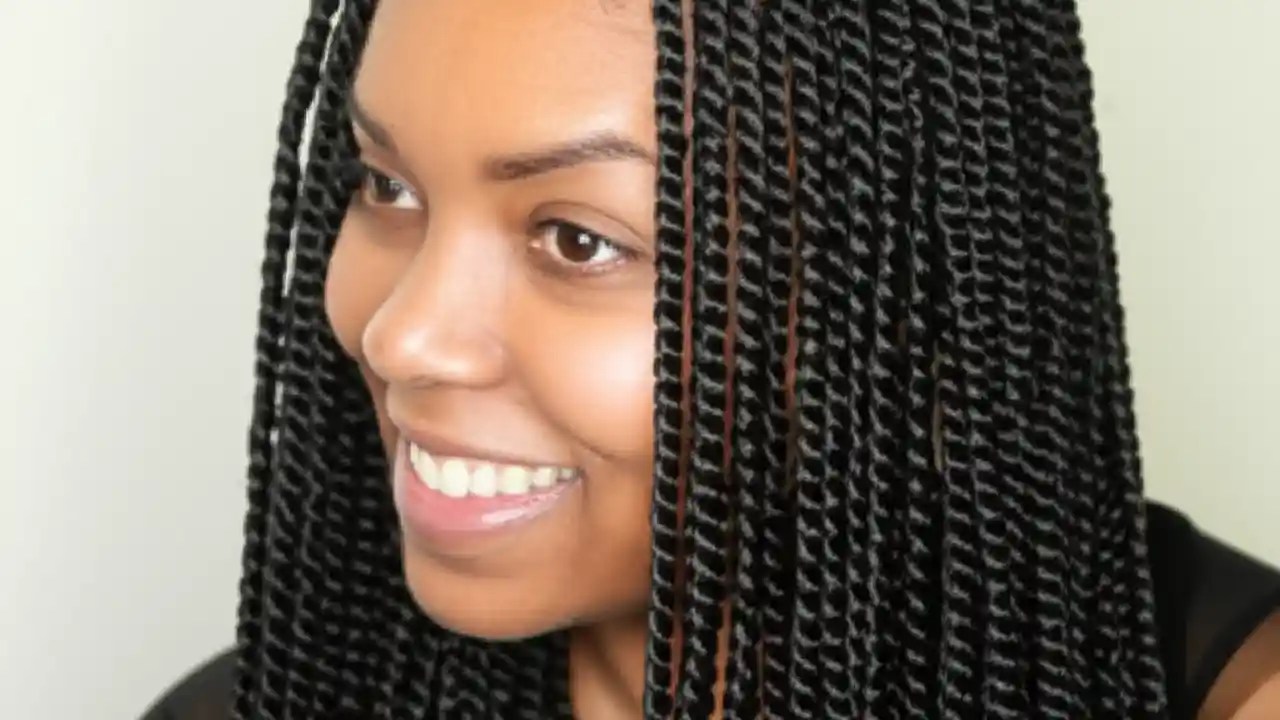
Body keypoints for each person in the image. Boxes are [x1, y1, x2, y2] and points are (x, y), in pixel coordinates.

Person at [141, 0, 1280, 718]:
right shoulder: (270, 699)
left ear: (907, 288)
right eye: (384, 186)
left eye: (579, 240)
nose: (399, 334)